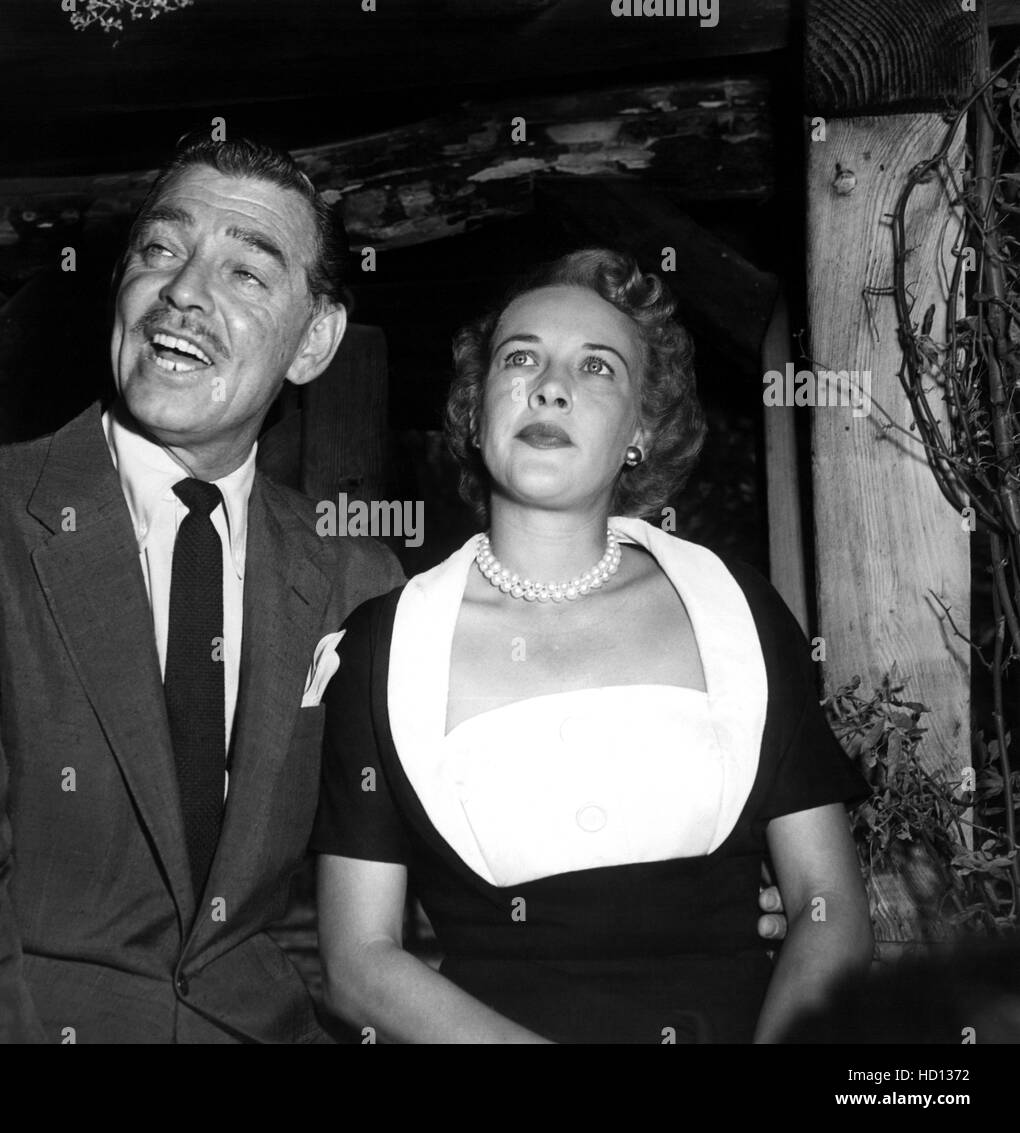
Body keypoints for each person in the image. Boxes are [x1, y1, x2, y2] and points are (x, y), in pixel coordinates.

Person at [0, 134, 404, 1043]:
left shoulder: (356, 578)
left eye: (246, 274)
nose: (182, 292)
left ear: (315, 339)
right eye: (161, 250)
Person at [312, 247, 873, 1043]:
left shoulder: (736, 611)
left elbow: (832, 909)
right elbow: (359, 965)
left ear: (643, 428)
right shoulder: (384, 645)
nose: (551, 385)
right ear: (476, 411)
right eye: (521, 358)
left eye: (598, 368)